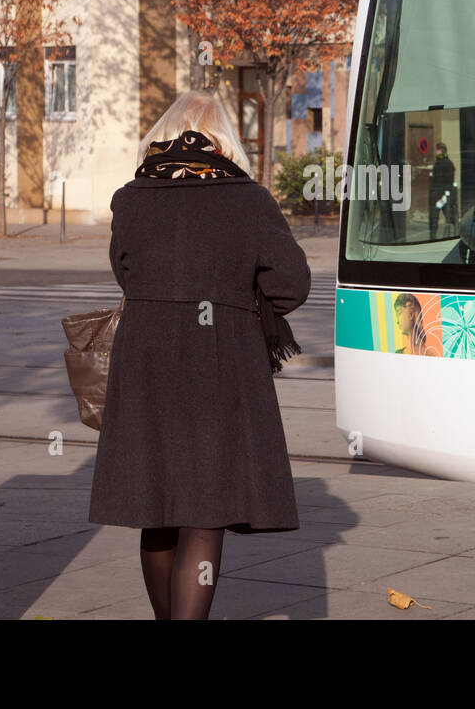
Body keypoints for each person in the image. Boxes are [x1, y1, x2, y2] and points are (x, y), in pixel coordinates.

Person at [87, 90, 311, 620]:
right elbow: (292, 285)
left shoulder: (131, 197)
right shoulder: (248, 199)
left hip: (144, 364)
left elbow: (126, 272)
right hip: (219, 363)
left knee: (156, 508)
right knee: (204, 512)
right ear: (223, 139)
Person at [428, 142, 455, 238]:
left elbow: (448, 181)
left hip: (440, 195)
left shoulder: (443, 163)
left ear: (440, 151)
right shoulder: (444, 162)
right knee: (448, 216)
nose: (435, 152)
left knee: (438, 218)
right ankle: (455, 231)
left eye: (437, 150)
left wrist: (444, 196)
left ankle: (433, 237)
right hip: (440, 195)